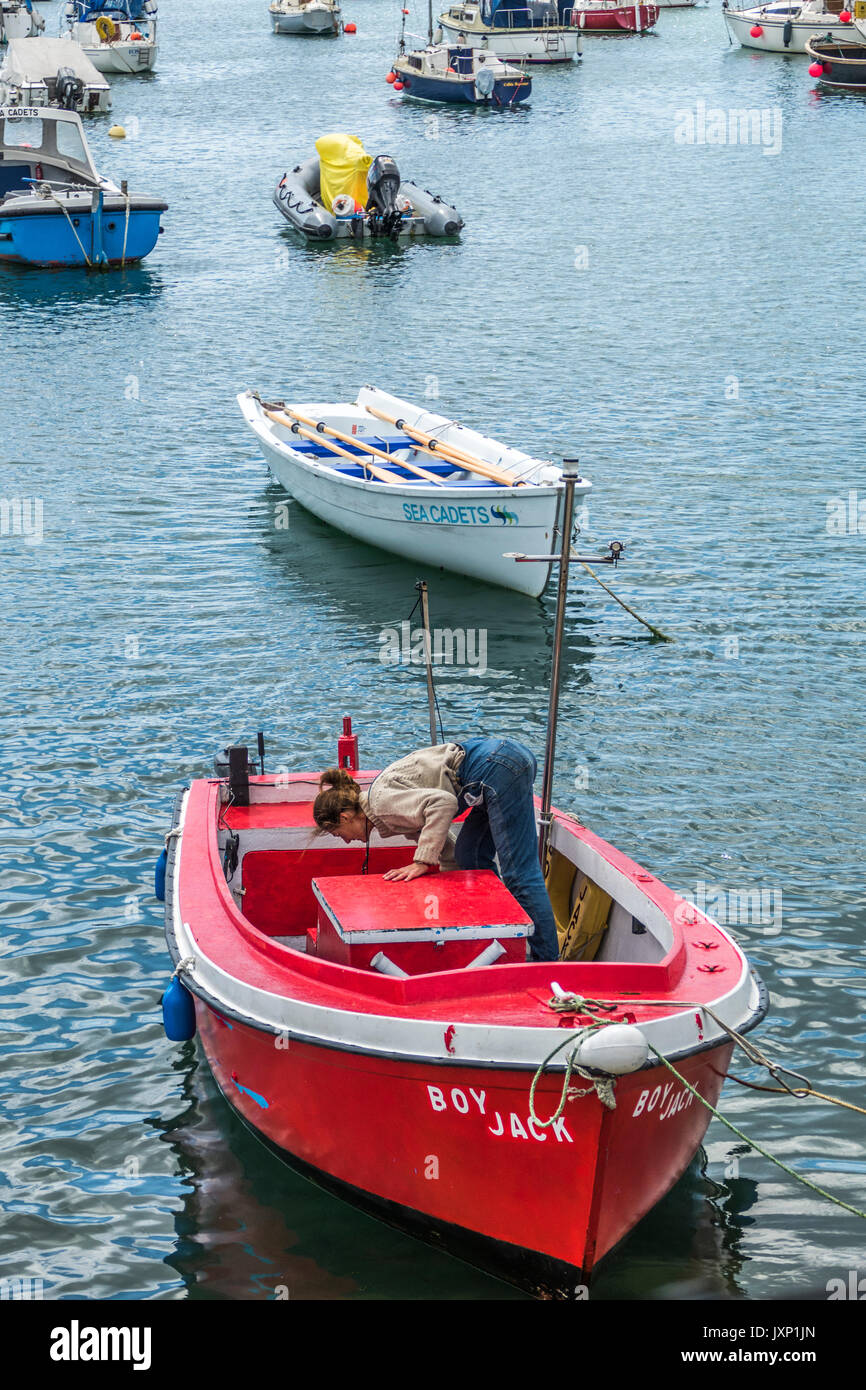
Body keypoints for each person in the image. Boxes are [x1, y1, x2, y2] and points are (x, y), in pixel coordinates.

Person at [312, 737, 559, 962]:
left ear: (345, 817)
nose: (345, 841)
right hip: (501, 762)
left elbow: (443, 803)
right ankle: (495, 930)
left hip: (496, 768)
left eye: (338, 834)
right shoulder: (386, 814)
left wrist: (423, 862)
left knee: (520, 874)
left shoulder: (382, 805)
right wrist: (452, 908)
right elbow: (446, 851)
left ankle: (547, 964)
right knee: (468, 855)